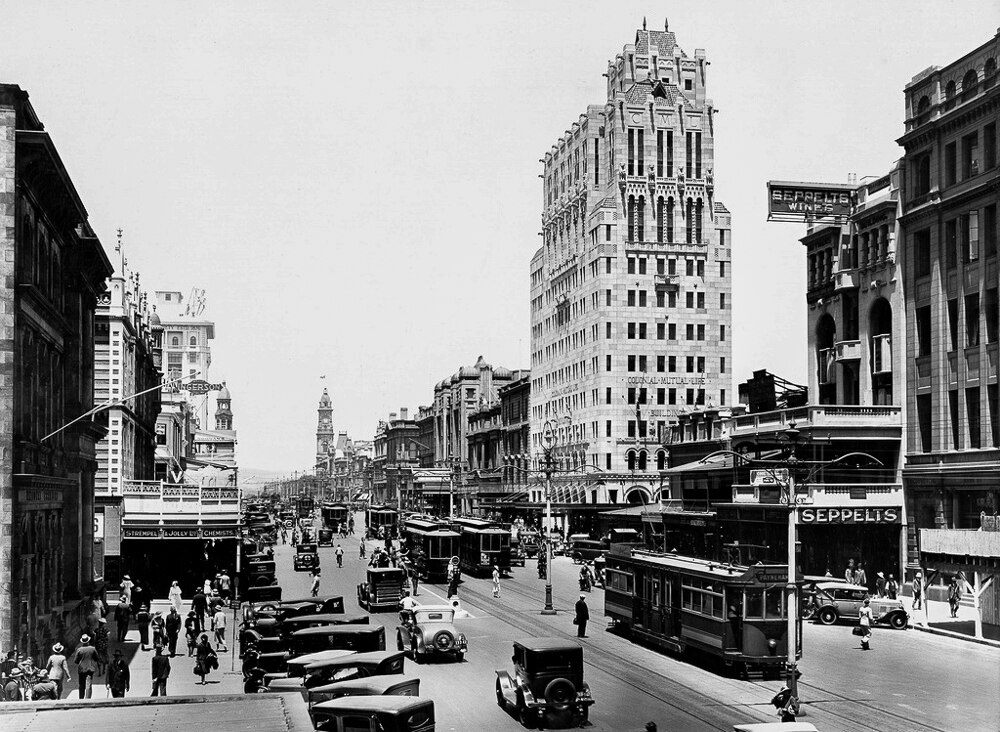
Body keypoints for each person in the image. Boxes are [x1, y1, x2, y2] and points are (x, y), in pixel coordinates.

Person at [74, 634, 100, 698]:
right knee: (88, 684)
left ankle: (81, 698)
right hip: (90, 668)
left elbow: (76, 661)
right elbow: (96, 658)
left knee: (81, 684)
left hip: (81, 669)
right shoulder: (92, 649)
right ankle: (88, 698)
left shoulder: (79, 650)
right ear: (88, 641)